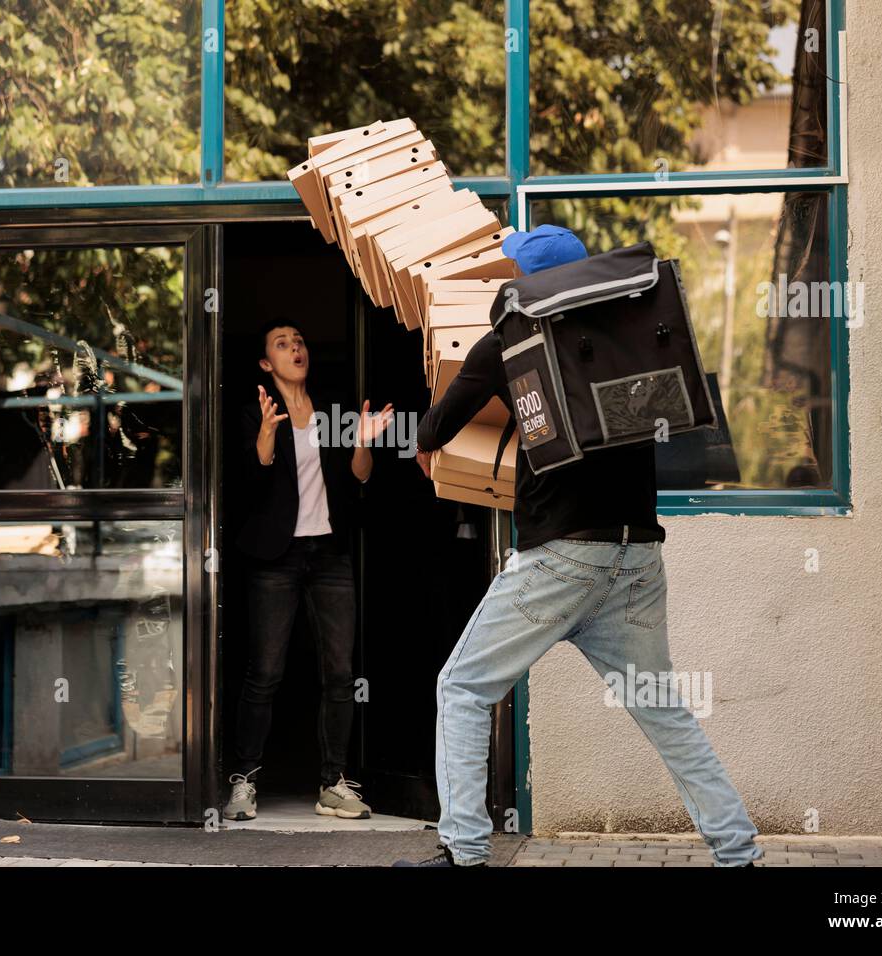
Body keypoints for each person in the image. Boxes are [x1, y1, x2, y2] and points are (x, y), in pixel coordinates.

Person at [395, 224, 763, 867]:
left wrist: (419, 445)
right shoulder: (627, 336)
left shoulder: (510, 338)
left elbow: (436, 427)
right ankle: (738, 851)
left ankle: (463, 850)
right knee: (664, 711)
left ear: (529, 279)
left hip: (561, 556)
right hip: (639, 555)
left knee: (462, 687)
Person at [224, 318, 394, 821]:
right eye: (281, 343)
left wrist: (363, 440)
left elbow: (358, 476)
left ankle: (332, 784)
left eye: (299, 341)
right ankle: (245, 780)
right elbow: (248, 483)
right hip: (275, 557)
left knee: (340, 674)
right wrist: (264, 437)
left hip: (329, 555)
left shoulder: (331, 408)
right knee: (265, 673)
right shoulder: (254, 411)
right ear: (265, 362)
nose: (295, 348)